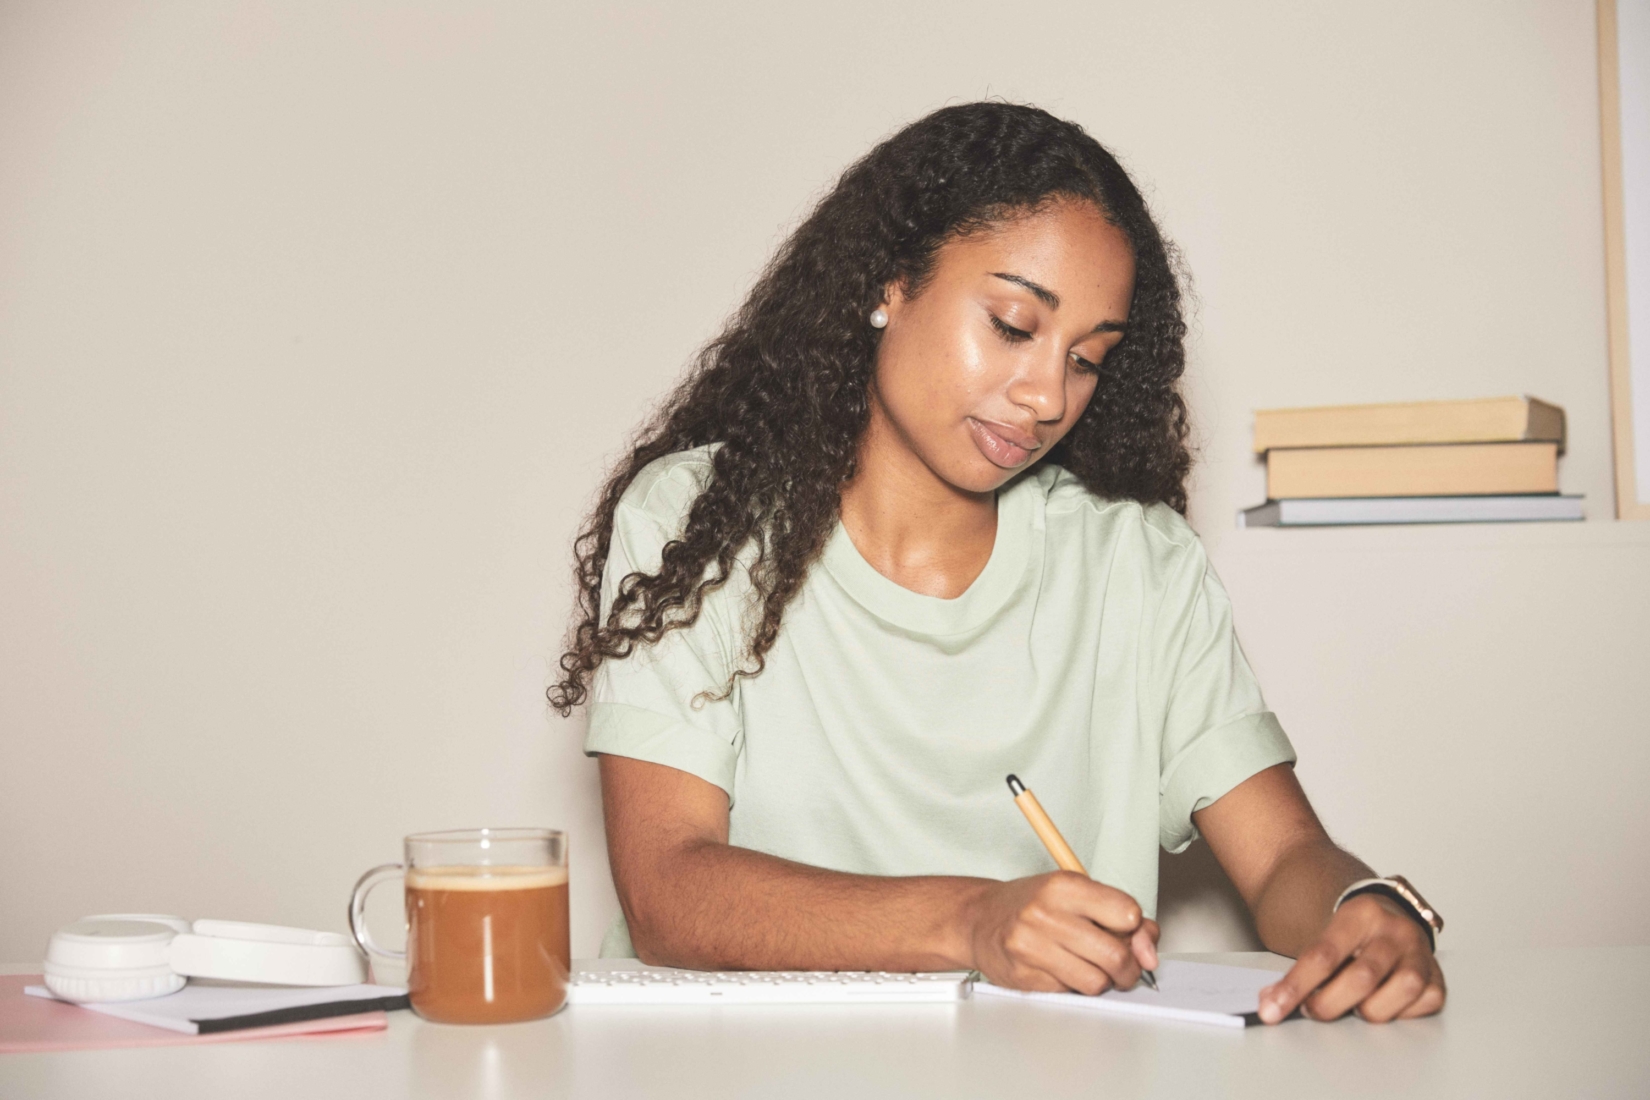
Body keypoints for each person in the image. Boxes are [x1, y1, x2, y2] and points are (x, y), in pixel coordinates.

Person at [550, 102, 1445, 1025]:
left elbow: (1288, 858)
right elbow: (669, 892)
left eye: (1090, 359)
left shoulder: (1136, 564)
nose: (1048, 395)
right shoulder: (696, 519)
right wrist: (974, 919)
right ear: (890, 283)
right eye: (1015, 325)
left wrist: (1361, 910)